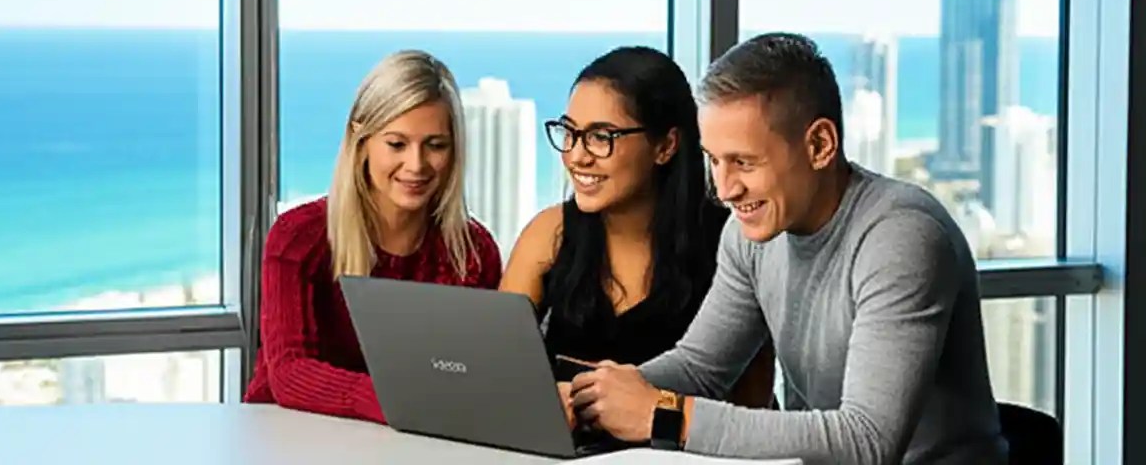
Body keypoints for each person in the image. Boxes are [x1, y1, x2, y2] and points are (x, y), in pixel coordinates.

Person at [569, 33, 1006, 464]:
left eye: (744, 162)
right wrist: (592, 398)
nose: (724, 189)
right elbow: (700, 368)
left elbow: (867, 443)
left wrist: (665, 418)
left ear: (819, 145)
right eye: (714, 160)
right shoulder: (751, 234)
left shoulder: (902, 238)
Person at [499, 46, 774, 431]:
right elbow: (496, 372)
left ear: (665, 146)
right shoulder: (550, 234)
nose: (577, 156)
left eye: (601, 137)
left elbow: (750, 416)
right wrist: (542, 402)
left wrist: (647, 408)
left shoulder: (733, 245)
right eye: (570, 132)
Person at [243, 50, 503, 422]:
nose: (416, 164)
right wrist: (399, 401)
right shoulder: (299, 237)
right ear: (361, 140)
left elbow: (471, 374)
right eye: (396, 144)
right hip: (287, 440)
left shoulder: (473, 251)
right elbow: (289, 374)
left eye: (436, 145)